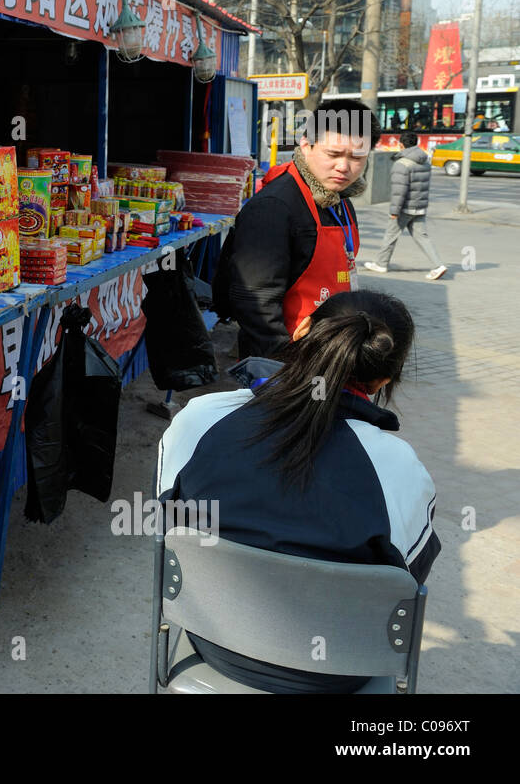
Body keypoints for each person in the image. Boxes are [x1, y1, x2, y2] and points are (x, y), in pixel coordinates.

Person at [157, 290, 440, 693]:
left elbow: (168, 526)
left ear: (302, 330)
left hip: (216, 645)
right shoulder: (398, 468)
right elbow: (407, 584)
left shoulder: (200, 420)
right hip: (338, 673)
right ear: (383, 380)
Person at [214, 98, 374, 359]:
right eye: (333, 154)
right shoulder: (274, 206)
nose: (344, 167)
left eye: (357, 157)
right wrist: (284, 364)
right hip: (287, 358)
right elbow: (254, 299)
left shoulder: (338, 198)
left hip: (329, 350)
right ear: (306, 145)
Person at [364, 132, 447, 280]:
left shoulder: (401, 164)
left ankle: (381, 264)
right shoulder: (425, 161)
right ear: (416, 143)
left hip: (405, 207)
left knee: (391, 235)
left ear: (401, 144)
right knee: (422, 237)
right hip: (420, 205)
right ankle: (438, 265)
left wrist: (394, 211)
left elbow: (399, 191)